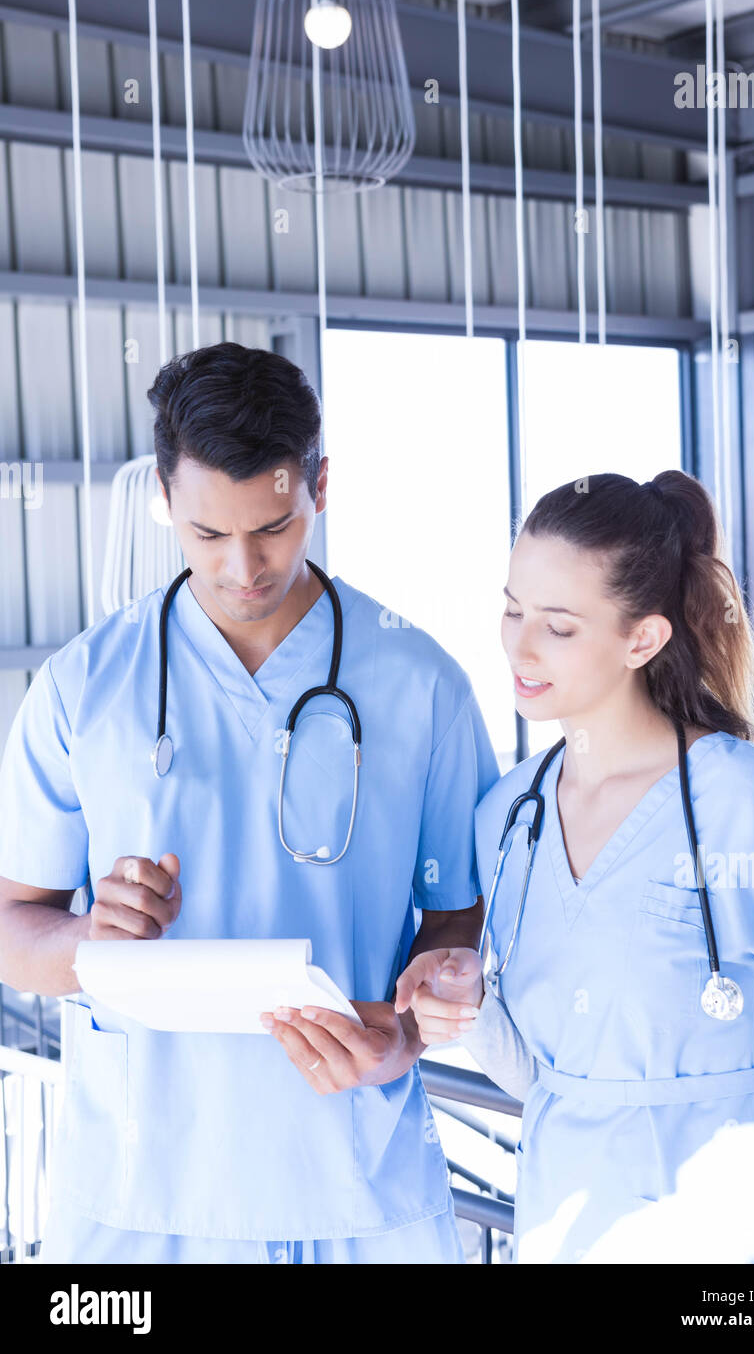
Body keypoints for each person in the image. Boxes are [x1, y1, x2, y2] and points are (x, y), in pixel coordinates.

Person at [0, 342, 500, 1265]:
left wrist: (415, 1023)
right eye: (205, 535)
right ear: (164, 497)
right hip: (137, 1201)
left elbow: (458, 915)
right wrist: (90, 940)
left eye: (272, 526)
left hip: (359, 1182)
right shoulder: (83, 686)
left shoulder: (419, 683)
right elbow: (14, 930)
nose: (242, 566)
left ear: (319, 485)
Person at [398, 470, 754, 1264]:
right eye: (513, 609)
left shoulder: (739, 797)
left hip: (725, 1228)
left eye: (560, 626)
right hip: (563, 1222)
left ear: (642, 639)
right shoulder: (509, 816)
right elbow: (551, 1081)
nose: (520, 644)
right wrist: (466, 1004)